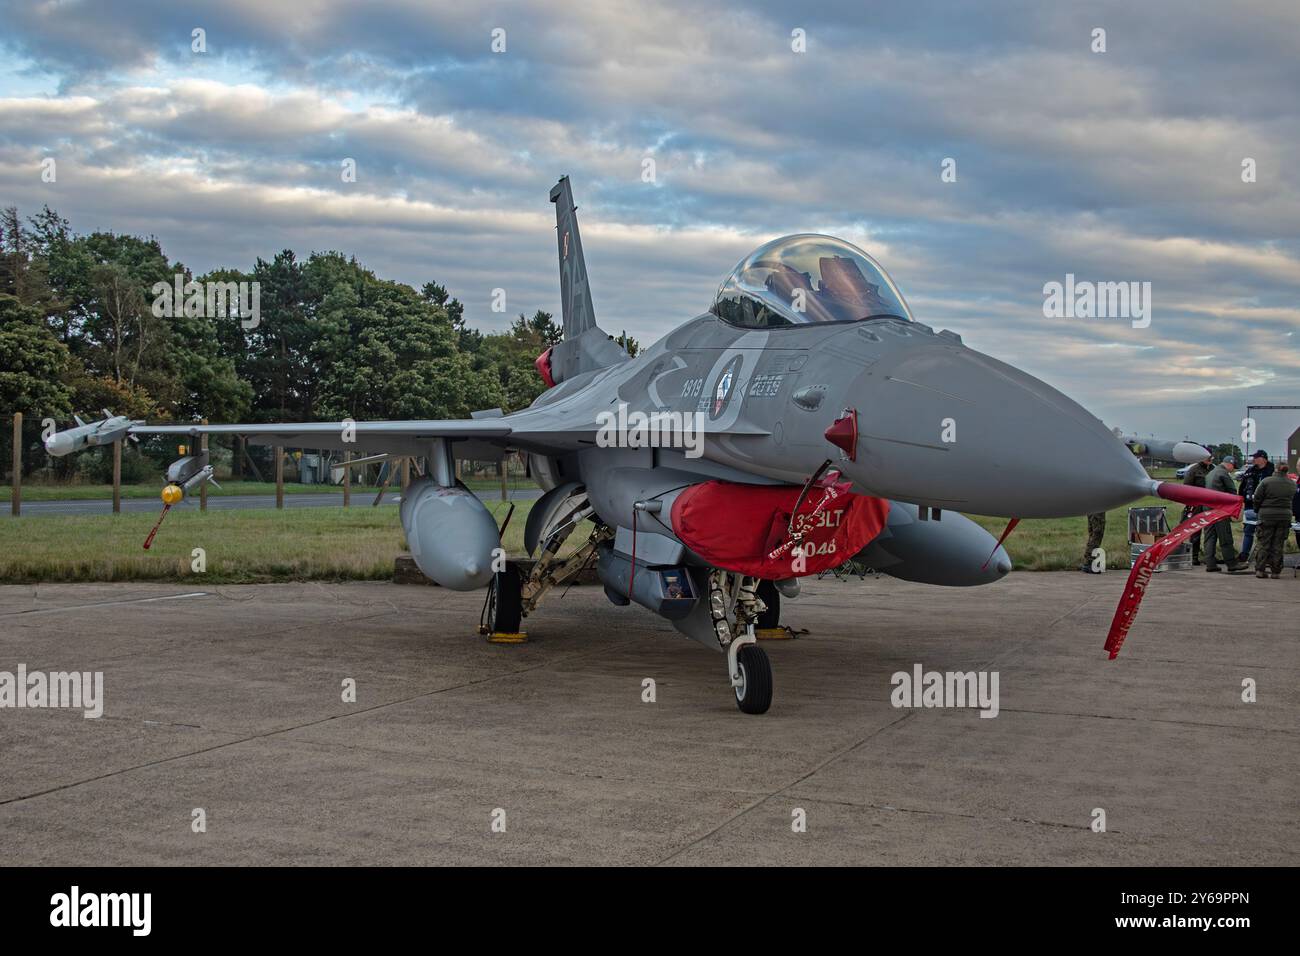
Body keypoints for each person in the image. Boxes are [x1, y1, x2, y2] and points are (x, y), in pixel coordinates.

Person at [1252, 463, 1294, 579]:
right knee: (1278, 544)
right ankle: (1276, 571)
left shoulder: (1266, 481)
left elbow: (1257, 497)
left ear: (1275, 469)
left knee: (1264, 543)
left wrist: (1257, 509)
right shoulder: (1292, 483)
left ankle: (1260, 570)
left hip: (1266, 516)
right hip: (1284, 517)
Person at [1204, 456, 1246, 573]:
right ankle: (1231, 563)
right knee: (1225, 537)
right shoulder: (1223, 473)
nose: (1233, 469)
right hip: (1220, 509)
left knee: (1210, 537)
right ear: (1229, 464)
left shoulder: (1211, 473)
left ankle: (1210, 564)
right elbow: (1232, 492)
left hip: (1207, 509)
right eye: (1233, 467)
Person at [1236, 450, 1274, 564]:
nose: (1254, 459)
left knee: (1266, 533)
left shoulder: (1272, 471)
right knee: (1248, 530)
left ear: (1263, 459)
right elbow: (1242, 486)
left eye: (1256, 457)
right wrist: (1241, 499)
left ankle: (1266, 556)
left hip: (1266, 507)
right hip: (1250, 506)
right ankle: (1244, 554)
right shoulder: (1250, 471)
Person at [1182, 452, 1212, 565]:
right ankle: (1194, 556)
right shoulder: (1194, 469)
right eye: (1207, 457)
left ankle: (1209, 556)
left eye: (1210, 457)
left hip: (1210, 503)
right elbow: (1186, 487)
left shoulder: (1213, 469)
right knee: (1196, 531)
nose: (1209, 459)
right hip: (1197, 504)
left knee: (1210, 531)